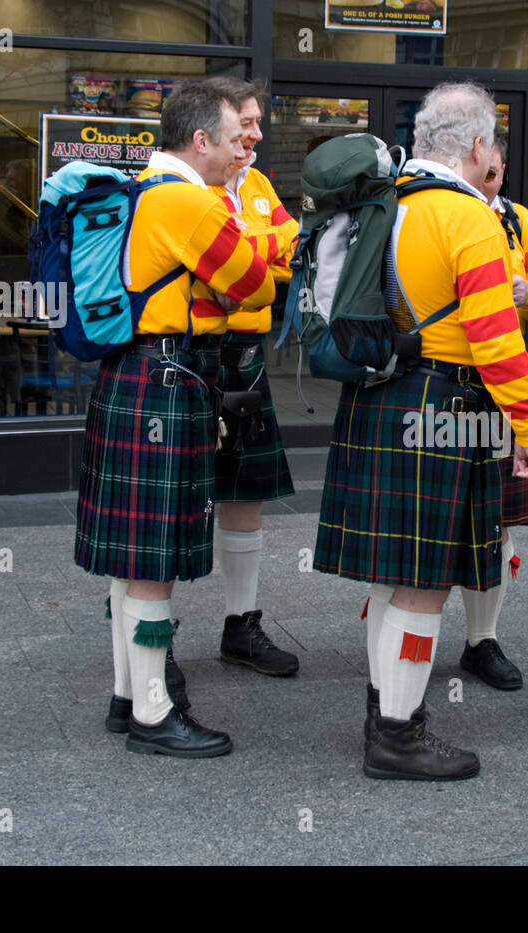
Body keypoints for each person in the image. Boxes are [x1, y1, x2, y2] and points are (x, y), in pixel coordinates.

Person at [313, 82, 528, 780]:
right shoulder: (466, 216)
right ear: (477, 145)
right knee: (424, 583)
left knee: (394, 578)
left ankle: (386, 710)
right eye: (494, 142)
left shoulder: (386, 203)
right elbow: (497, 335)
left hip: (381, 396)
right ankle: (397, 737)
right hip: (446, 404)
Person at [76, 81, 273, 758]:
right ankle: (155, 713)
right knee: (153, 562)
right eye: (230, 139)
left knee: (132, 559)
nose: (238, 152)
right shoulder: (188, 200)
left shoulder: (139, 191)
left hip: (131, 376)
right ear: (200, 141)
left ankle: (129, 693)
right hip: (166, 382)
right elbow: (256, 282)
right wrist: (240, 256)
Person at [201, 77, 303, 679]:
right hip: (190, 349)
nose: (257, 134)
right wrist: (262, 251)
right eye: (247, 122)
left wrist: (258, 249)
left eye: (259, 122)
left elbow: (288, 250)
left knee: (244, 491)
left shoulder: (259, 184)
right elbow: (229, 261)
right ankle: (140, 629)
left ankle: (242, 625)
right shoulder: (187, 185)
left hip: (245, 347)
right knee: (173, 494)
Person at [456, 127, 528, 690]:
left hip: (502, 385)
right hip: (442, 383)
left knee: (497, 525)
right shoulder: (440, 210)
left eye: (498, 174)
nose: (491, 183)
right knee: (428, 525)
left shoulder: (520, 220)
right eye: (486, 171)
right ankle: (400, 649)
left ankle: (483, 640)